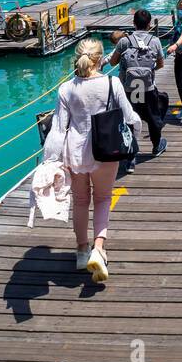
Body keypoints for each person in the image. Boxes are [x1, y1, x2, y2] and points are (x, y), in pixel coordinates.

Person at [43, 37, 140, 283]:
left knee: (80, 202)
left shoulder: (66, 89)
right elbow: (130, 116)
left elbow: (58, 129)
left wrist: (50, 161)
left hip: (74, 153)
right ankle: (99, 248)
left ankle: (81, 250)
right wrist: (135, 137)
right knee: (103, 198)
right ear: (99, 58)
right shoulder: (112, 83)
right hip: (105, 151)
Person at [108, 8, 167, 169]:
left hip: (128, 89)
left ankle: (130, 158)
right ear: (149, 25)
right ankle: (156, 146)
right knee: (154, 118)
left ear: (133, 23)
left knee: (129, 120)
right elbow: (161, 64)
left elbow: (113, 62)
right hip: (147, 88)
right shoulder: (155, 41)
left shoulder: (124, 42)